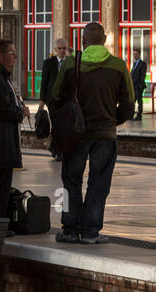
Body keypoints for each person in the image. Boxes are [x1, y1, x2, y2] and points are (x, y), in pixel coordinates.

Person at [48, 22, 135, 244]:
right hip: (105, 135)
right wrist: (111, 120)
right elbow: (129, 103)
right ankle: (90, 232)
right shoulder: (118, 66)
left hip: (76, 135)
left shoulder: (69, 64)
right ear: (104, 40)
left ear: (83, 41)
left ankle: (69, 229)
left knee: (71, 181)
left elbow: (55, 97)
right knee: (99, 183)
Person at [0, 39, 25, 220]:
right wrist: (20, 112)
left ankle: (1, 219)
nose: (15, 57)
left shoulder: (4, 77)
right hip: (4, 141)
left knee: (5, 183)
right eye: (11, 53)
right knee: (1, 184)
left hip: (8, 140)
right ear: (0, 56)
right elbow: (4, 109)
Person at [40, 37, 68, 159]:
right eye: (60, 48)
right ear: (55, 49)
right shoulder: (48, 63)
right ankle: (58, 151)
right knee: (56, 125)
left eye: (64, 48)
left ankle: (56, 148)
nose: (62, 51)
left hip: (66, 101)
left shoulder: (70, 63)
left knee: (64, 125)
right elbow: (44, 83)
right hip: (52, 101)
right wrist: (42, 101)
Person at [130, 53, 148, 120]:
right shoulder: (134, 63)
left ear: (139, 55)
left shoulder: (142, 63)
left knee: (139, 101)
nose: (134, 55)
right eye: (133, 54)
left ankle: (139, 115)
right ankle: (131, 115)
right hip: (133, 86)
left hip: (138, 86)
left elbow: (143, 75)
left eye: (136, 54)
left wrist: (140, 84)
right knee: (133, 101)